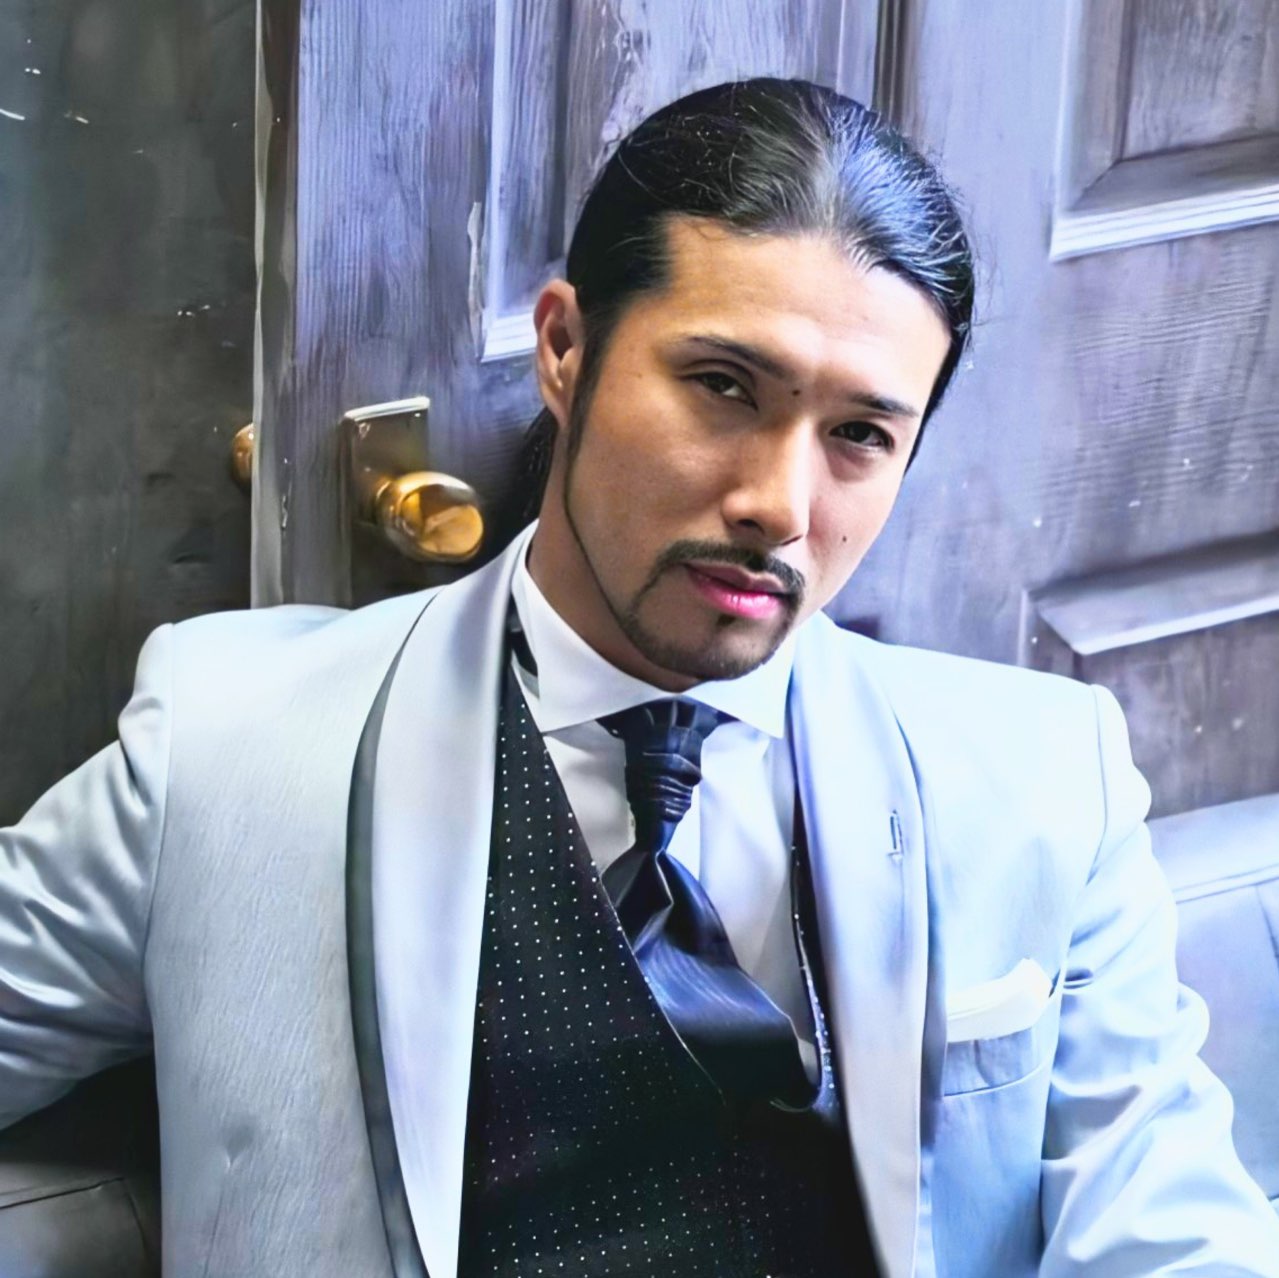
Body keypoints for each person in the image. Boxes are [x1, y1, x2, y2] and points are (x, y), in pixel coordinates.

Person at [1, 77, 1276, 1278]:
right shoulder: (226, 749)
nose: (778, 505)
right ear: (565, 348)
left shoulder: (1042, 778)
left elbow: (1169, 1227)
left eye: (857, 435)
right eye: (722, 388)